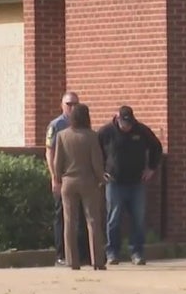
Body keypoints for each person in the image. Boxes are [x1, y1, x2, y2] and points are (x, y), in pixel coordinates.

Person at [98, 105, 163, 266]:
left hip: (136, 183)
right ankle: (112, 252)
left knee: (138, 219)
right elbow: (95, 152)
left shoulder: (141, 130)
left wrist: (151, 168)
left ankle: (137, 252)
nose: (127, 127)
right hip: (114, 182)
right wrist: (101, 171)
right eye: (124, 123)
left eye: (129, 123)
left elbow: (156, 147)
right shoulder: (106, 132)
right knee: (113, 219)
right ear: (117, 118)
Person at [52, 103, 107, 271]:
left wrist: (58, 178)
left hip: (68, 182)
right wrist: (101, 178)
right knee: (93, 220)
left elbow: (57, 162)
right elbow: (96, 162)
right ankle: (97, 260)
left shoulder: (62, 135)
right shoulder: (92, 136)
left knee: (69, 221)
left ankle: (72, 261)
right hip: (88, 181)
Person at [45, 91, 88, 266]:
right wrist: (54, 177)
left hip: (80, 177)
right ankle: (61, 254)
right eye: (69, 104)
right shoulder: (56, 125)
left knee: (81, 217)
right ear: (62, 105)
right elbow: (49, 152)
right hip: (63, 177)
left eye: (75, 104)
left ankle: (81, 255)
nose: (72, 107)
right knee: (62, 217)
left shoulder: (84, 124)